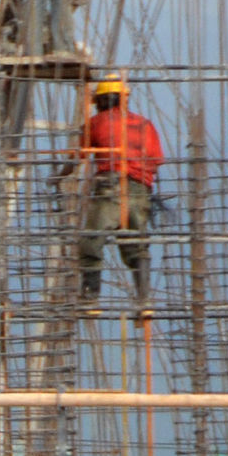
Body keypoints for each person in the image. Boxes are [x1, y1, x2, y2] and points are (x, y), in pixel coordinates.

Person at [77, 79, 164, 306]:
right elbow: (156, 161)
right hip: (141, 189)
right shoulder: (146, 124)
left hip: (111, 187)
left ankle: (90, 295)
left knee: (91, 241)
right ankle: (144, 299)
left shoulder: (97, 122)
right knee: (137, 247)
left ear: (101, 101)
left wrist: (57, 176)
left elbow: (79, 156)